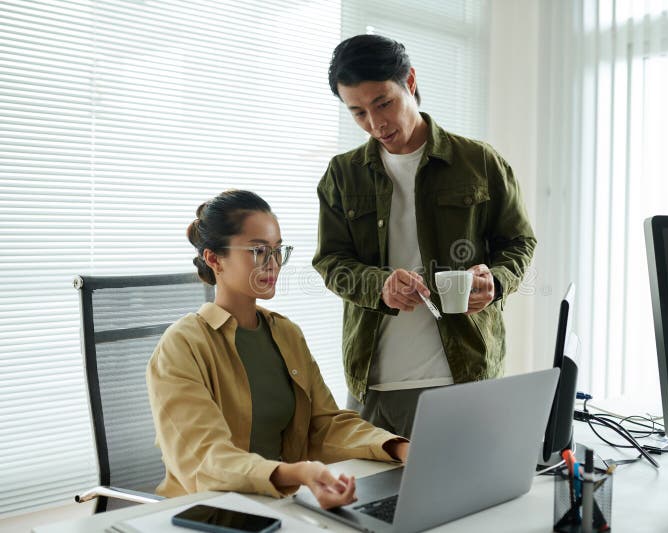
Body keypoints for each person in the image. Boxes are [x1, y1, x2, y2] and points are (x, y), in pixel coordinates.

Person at [313, 34, 536, 438]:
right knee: (373, 502)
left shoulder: (479, 162)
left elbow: (519, 242)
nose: (376, 123)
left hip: (462, 378)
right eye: (358, 112)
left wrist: (496, 281)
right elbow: (330, 262)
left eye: (383, 103)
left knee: (467, 497)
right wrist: (378, 286)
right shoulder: (342, 175)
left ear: (410, 81)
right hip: (372, 385)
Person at [146, 189, 408, 510]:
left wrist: (400, 448)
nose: (273, 264)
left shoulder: (286, 334)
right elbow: (206, 458)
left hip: (280, 503)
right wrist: (296, 472)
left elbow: (325, 424)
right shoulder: (182, 345)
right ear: (214, 259)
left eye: (277, 250)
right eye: (258, 251)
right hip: (207, 512)